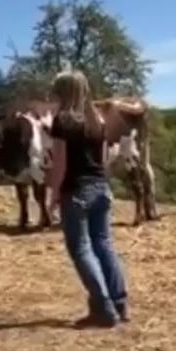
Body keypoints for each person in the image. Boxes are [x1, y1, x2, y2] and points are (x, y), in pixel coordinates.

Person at [44, 70, 130, 329]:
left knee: (81, 249)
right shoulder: (99, 121)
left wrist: (53, 196)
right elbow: (104, 160)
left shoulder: (63, 121)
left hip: (77, 190)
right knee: (104, 245)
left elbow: (60, 163)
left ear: (62, 92)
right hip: (101, 188)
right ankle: (119, 303)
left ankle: (103, 309)